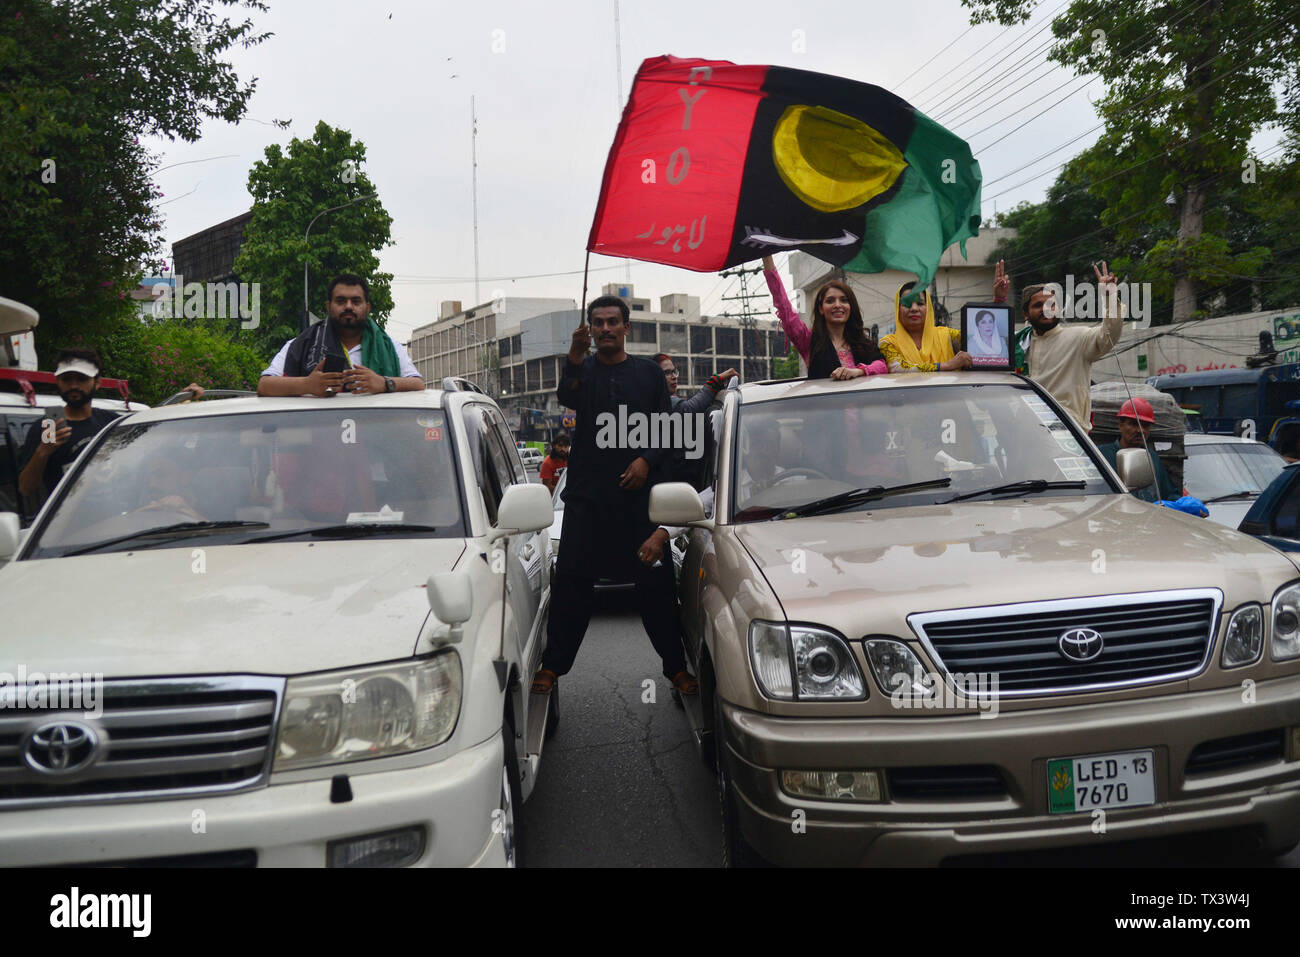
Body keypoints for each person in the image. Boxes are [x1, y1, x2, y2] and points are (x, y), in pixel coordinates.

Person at [532, 296, 696, 697]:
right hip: (588, 501)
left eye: (612, 322)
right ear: (590, 329)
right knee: (572, 584)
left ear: (626, 328)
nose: (605, 329)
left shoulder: (648, 374)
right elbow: (568, 397)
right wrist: (573, 354)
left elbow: (666, 432)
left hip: (638, 505)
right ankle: (553, 667)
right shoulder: (581, 370)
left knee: (655, 589)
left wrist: (645, 461)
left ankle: (675, 668)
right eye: (597, 323)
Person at [992, 259, 1125, 430]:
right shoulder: (1017, 342)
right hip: (1025, 430)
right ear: (1026, 314)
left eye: (1051, 304)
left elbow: (1108, 336)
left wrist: (1110, 298)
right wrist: (999, 300)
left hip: (1069, 434)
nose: (1046, 309)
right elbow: (989, 342)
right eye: (1038, 305)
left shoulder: (1078, 338)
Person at [258, 274, 423, 396]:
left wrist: (384, 383)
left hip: (373, 434)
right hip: (317, 436)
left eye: (356, 301)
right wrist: (307, 384)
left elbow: (417, 384)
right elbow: (264, 385)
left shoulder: (389, 346)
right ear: (329, 306)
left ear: (367, 307)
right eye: (341, 301)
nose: (349, 306)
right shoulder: (301, 344)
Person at [18, 349, 120, 504]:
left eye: (82, 379)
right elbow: (26, 488)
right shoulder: (49, 427)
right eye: (66, 379)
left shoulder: (110, 421)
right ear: (58, 382)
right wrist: (43, 451)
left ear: (97, 382)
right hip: (68, 524)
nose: (73, 385)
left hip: (112, 517)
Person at [761, 255, 887, 379]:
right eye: (830, 301)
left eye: (844, 300)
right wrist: (767, 256)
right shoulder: (808, 341)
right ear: (820, 309)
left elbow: (882, 366)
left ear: (851, 307)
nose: (838, 305)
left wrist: (859, 371)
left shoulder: (863, 343)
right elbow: (784, 308)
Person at [1096, 397, 1178, 503]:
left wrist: (1183, 504)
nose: (1140, 430)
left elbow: (1169, 493)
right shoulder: (1101, 455)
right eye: (1134, 424)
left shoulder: (1151, 458)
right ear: (1120, 425)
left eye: (1145, 426)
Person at [878, 282, 972, 372]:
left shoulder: (948, 336)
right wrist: (948, 365)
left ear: (929, 307)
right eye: (907, 304)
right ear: (898, 309)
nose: (914, 308)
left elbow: (976, 343)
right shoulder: (888, 343)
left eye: (920, 304)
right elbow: (899, 368)